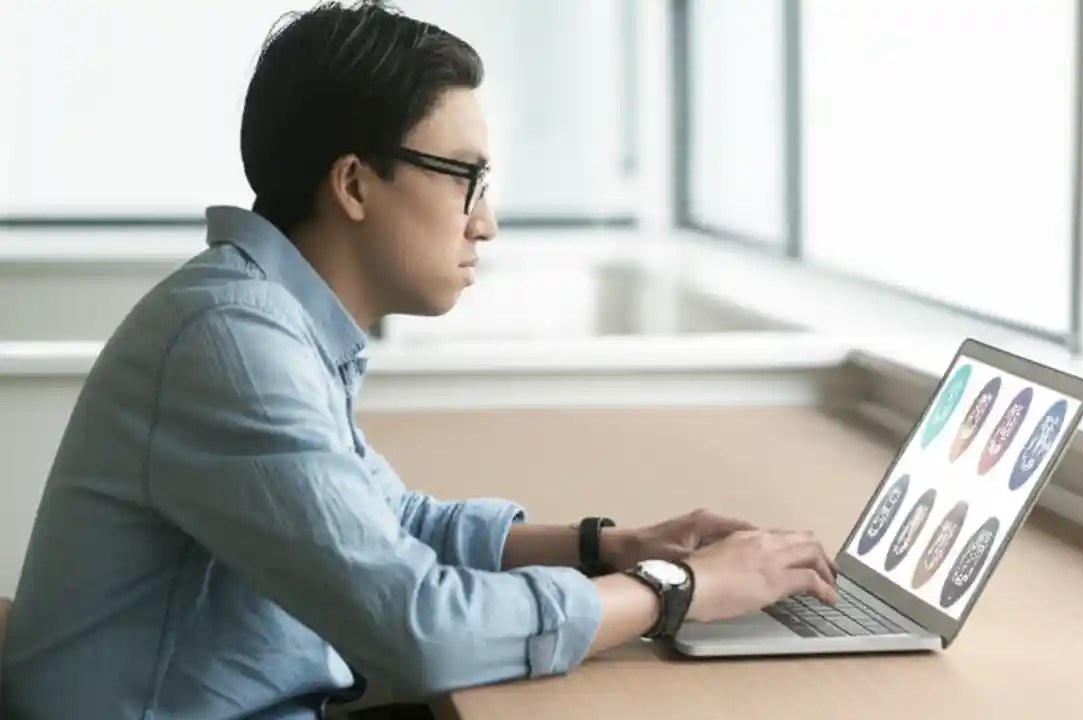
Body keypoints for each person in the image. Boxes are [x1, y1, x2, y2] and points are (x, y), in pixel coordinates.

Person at [0, 3, 838, 718]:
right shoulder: (232, 342)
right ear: (356, 185)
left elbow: (395, 525)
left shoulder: (263, 317)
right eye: (464, 178)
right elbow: (423, 628)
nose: (486, 221)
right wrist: (675, 589)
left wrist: (610, 547)